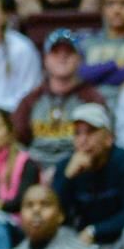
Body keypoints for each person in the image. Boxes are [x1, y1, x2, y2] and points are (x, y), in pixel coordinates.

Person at [17, 31, 109, 172]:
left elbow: (102, 142)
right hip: (35, 171)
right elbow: (17, 139)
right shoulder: (30, 99)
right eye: (55, 52)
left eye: (69, 53)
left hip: (78, 169)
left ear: (79, 59)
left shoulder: (92, 98)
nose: (62, 57)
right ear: (45, 59)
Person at [52, 103, 124, 245]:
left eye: (90, 132)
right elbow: (53, 215)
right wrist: (66, 179)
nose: (83, 140)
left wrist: (95, 231)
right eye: (77, 133)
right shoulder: (66, 166)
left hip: (118, 240)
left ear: (108, 138)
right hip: (80, 241)